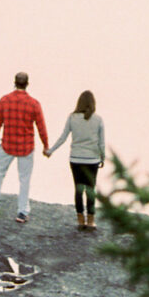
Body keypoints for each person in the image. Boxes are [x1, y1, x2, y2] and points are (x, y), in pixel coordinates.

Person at [0, 71, 49, 223]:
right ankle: (22, 212)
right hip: (26, 147)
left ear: (14, 83)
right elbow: (41, 127)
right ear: (27, 84)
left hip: (7, 144)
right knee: (24, 179)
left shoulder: (5, 100)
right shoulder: (34, 104)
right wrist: (46, 145)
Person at [46, 89, 105, 231]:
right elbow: (101, 143)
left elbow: (63, 137)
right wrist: (103, 157)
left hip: (76, 159)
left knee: (78, 189)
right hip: (92, 160)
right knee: (90, 189)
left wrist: (51, 150)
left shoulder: (72, 117)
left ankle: (80, 220)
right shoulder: (98, 119)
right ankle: (91, 221)